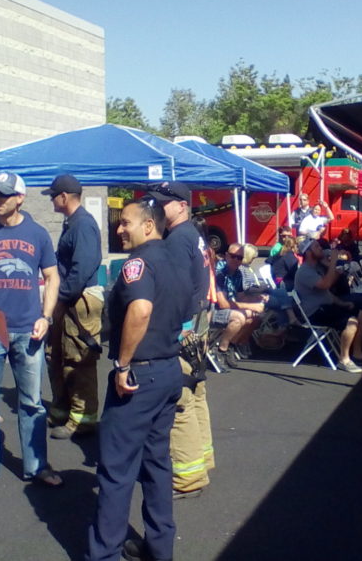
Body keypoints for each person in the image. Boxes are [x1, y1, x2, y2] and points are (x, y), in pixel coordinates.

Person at [87, 197, 188, 561]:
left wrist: (123, 364)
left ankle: (104, 555)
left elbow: (141, 310)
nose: (119, 228)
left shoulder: (138, 263)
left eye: (125, 222)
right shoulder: (177, 261)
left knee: (116, 471)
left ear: (148, 225)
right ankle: (160, 549)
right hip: (168, 370)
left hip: (140, 377)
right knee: (157, 464)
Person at [0, 171, 62, 495]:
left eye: (4, 195)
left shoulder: (37, 233)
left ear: (20, 197)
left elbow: (51, 276)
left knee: (32, 403)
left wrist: (46, 317)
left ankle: (37, 466)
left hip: (29, 328)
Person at [149, 181, 214, 500]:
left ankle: (188, 478)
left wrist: (175, 328)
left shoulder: (176, 239)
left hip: (185, 327)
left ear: (182, 205)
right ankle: (202, 460)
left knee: (179, 402)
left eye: (164, 202)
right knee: (196, 392)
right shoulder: (193, 235)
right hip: (200, 322)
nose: (158, 206)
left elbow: (174, 290)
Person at [41, 174, 103, 440]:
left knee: (79, 360)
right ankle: (61, 409)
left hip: (80, 302)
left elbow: (83, 268)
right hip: (69, 300)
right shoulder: (73, 223)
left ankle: (83, 420)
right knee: (57, 355)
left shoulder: (83, 225)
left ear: (64, 197)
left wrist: (61, 296)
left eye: (53, 196)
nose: (52, 200)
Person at [294, 239, 362, 373]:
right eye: (316, 247)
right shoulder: (305, 271)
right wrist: (332, 262)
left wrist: (342, 303)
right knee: (352, 322)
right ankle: (344, 360)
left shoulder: (316, 268)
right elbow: (326, 285)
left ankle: (357, 353)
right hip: (315, 313)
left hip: (326, 307)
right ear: (308, 253)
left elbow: (326, 293)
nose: (320, 248)